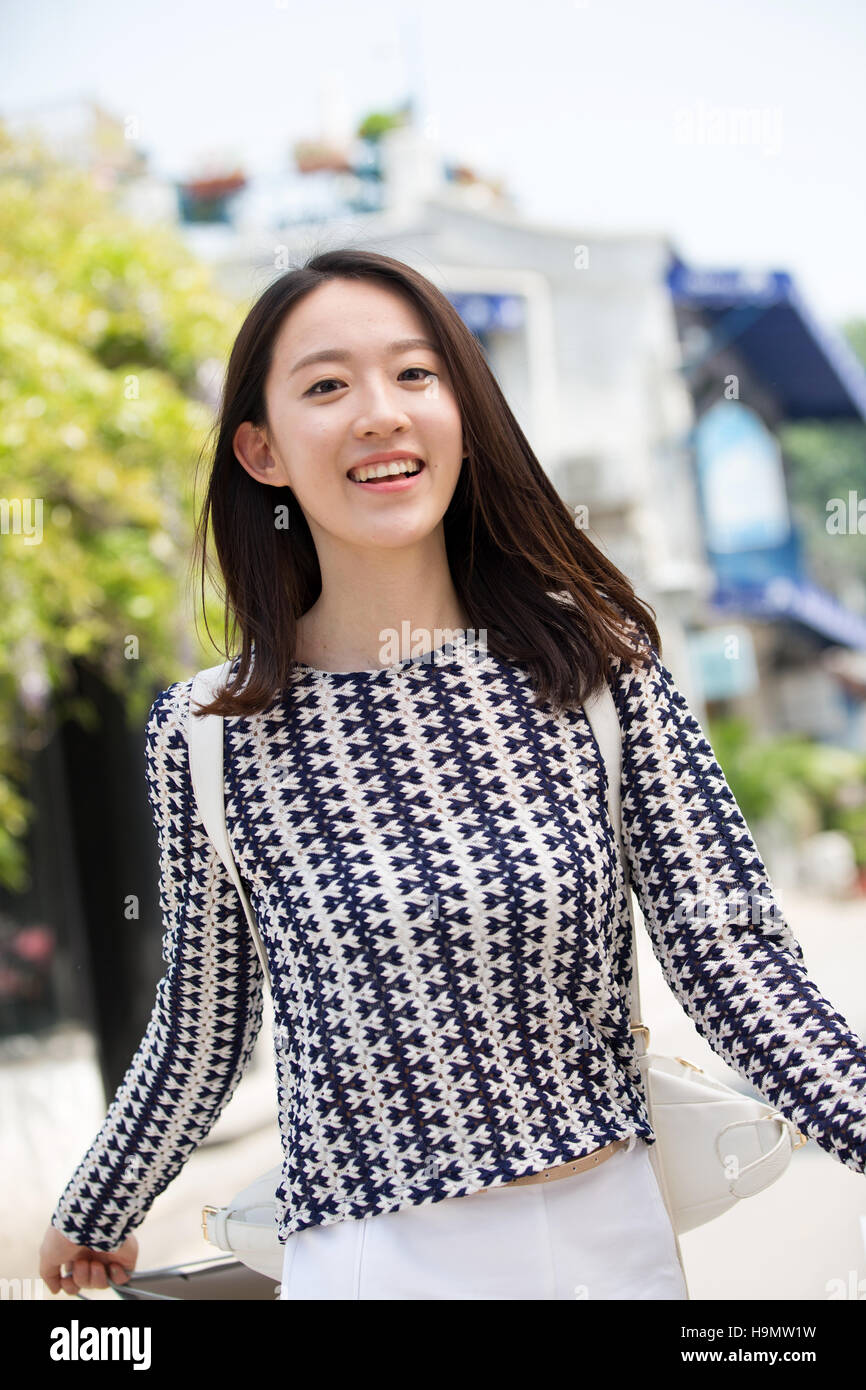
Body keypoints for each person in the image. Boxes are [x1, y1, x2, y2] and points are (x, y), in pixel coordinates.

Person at [41, 249, 866, 1302]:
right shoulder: (208, 733)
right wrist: (96, 1205)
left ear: (462, 413)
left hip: (601, 1254)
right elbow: (203, 1021)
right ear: (261, 450)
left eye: (415, 375)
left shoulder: (597, 671)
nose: (379, 412)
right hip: (363, 1263)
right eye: (328, 386)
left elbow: (731, 958)